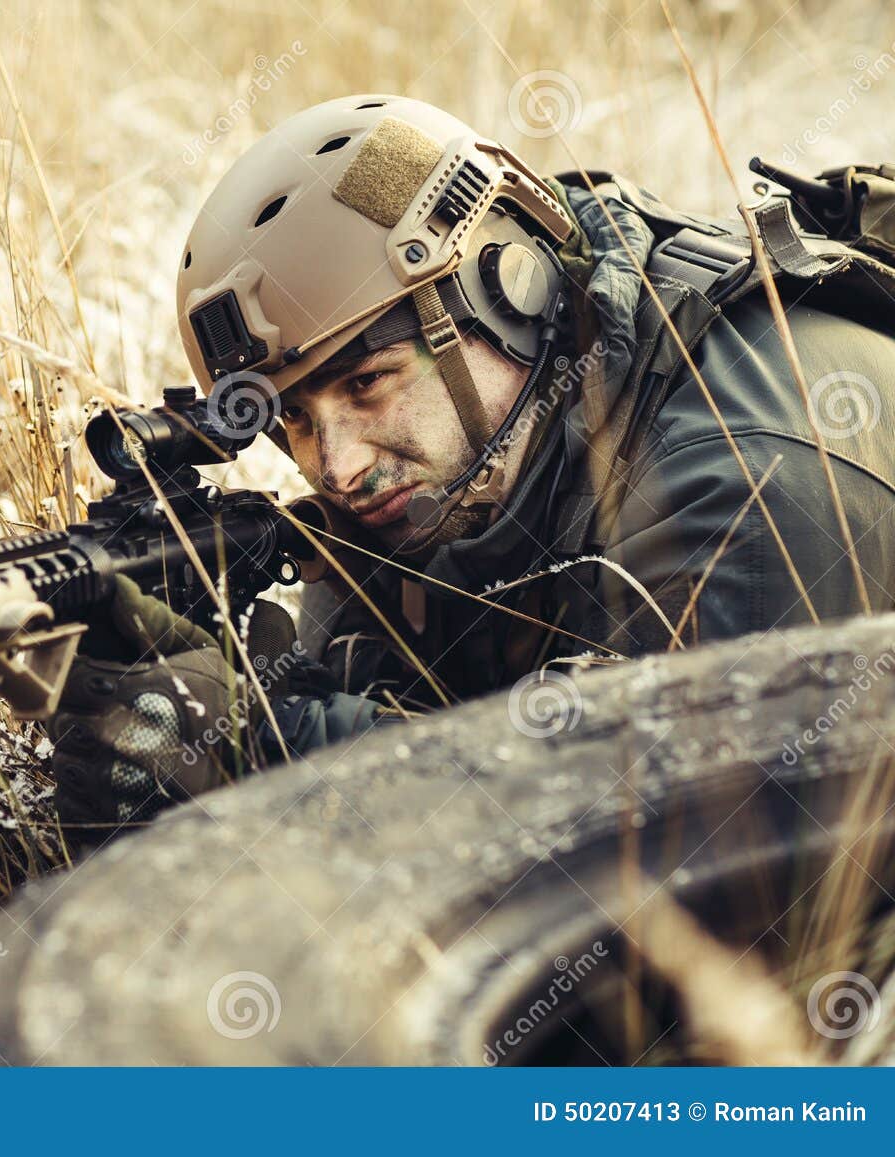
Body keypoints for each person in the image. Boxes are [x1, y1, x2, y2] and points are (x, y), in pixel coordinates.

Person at [48, 94, 895, 841]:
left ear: (506, 295)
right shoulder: (466, 465)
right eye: (294, 419)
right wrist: (202, 721)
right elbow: (443, 722)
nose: (335, 468)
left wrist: (272, 752)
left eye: (367, 383)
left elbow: (676, 874)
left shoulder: (747, 483)